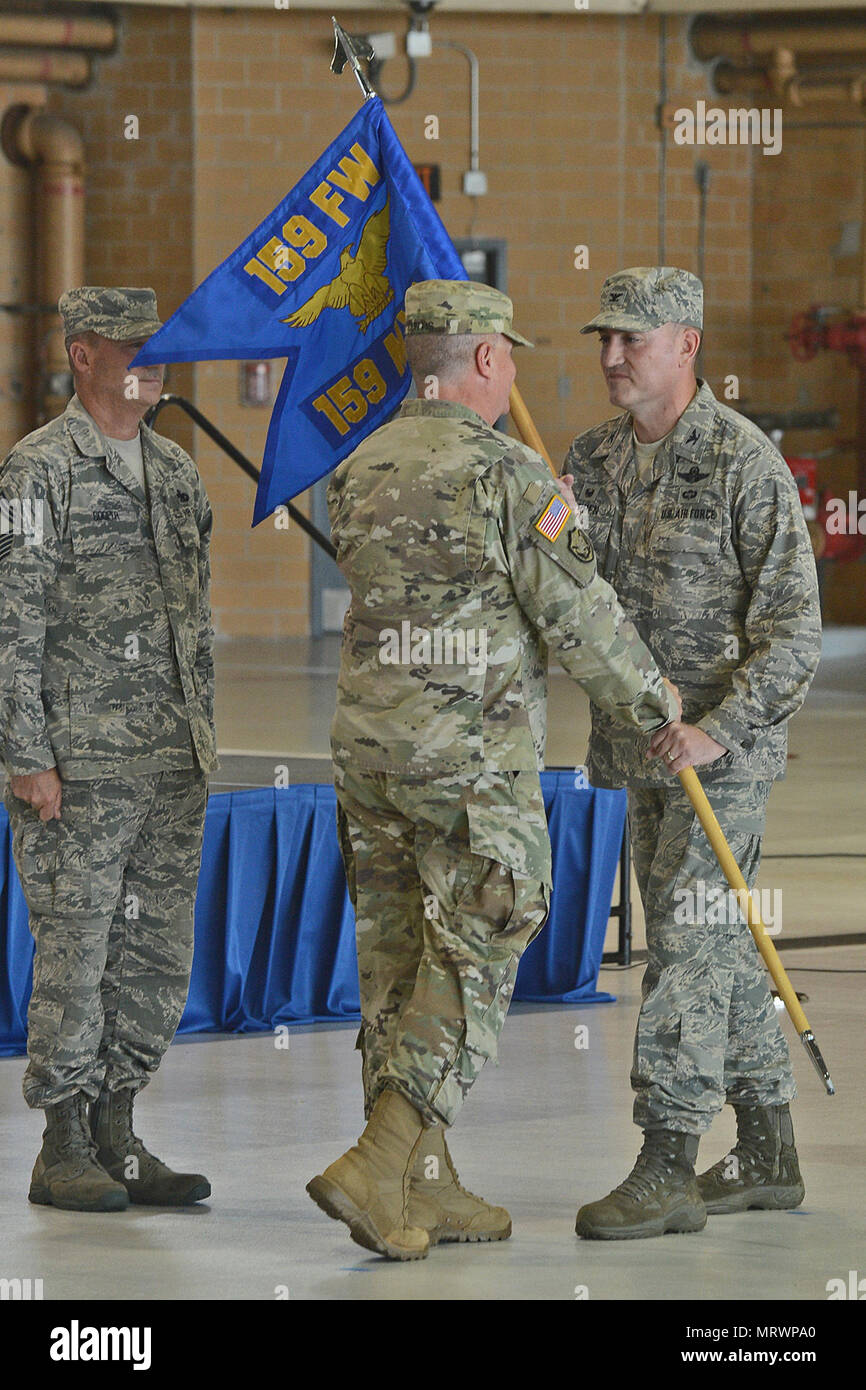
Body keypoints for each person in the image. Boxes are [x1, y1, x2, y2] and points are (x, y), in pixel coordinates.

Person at [307, 278, 680, 1260]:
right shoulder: (508, 477)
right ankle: (382, 1152)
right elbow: (578, 615)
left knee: (397, 951)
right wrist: (653, 704)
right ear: (481, 361)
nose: (511, 367)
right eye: (506, 352)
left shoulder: (355, 467)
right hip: (466, 756)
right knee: (488, 920)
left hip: (370, 750)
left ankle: (417, 1187)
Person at [564, 266, 822, 1240]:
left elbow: (794, 632)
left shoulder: (740, 462)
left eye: (631, 338)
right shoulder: (587, 461)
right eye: (602, 337)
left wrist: (721, 726)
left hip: (724, 758)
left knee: (681, 944)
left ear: (686, 344)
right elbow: (564, 595)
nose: (610, 355)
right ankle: (765, 1148)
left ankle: (666, 1158)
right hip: (638, 754)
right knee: (712, 950)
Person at [0, 286, 218, 1211]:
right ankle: (60, 1144)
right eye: (130, 346)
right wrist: (26, 754)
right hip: (79, 765)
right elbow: (14, 620)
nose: (149, 360)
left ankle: (118, 1134)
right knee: (78, 950)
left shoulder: (175, 469)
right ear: (83, 354)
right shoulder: (36, 470)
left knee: (155, 951)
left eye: (156, 345)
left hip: (173, 758)